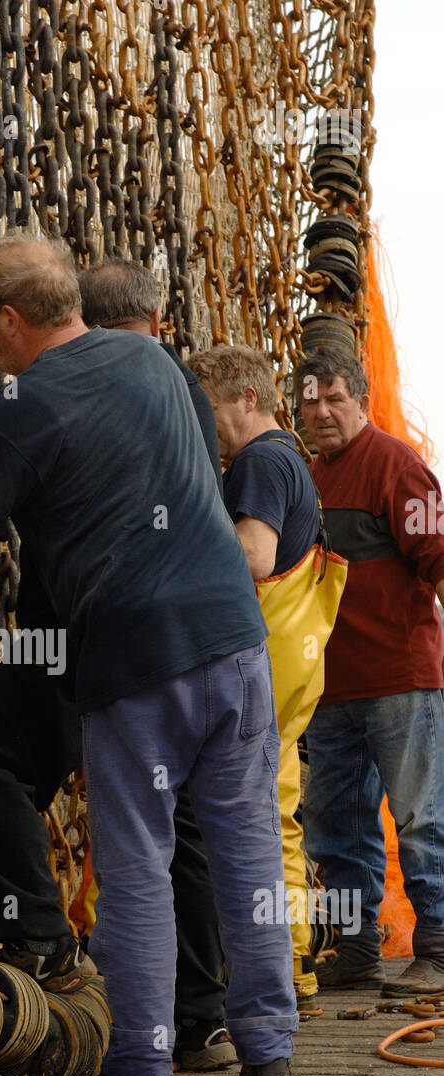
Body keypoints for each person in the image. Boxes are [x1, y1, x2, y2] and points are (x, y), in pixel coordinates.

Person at [0, 231, 297, 1076]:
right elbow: (87, 444)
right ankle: (266, 1050)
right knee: (245, 847)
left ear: (11, 318)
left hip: (132, 659)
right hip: (231, 639)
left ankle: (140, 1074)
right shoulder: (157, 365)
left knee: (137, 861)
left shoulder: (24, 403)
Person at [0, 256, 235, 1071]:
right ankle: (203, 1019)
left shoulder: (56, 390)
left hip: (97, 639)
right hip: (200, 639)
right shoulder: (168, 383)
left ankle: (56, 961)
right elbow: (85, 452)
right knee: (188, 825)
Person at [189, 344, 347, 999]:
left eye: (213, 411)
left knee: (265, 810)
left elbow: (253, 557)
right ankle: (293, 958)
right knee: (275, 807)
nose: (210, 430)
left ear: (247, 399)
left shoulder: (256, 461)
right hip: (295, 654)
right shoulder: (294, 461)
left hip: (261, 657)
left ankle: (284, 961)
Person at [297, 347, 444, 995]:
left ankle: (436, 949)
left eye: (335, 398)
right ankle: (355, 950)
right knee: (336, 825)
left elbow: (437, 556)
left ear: (360, 400)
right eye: (309, 399)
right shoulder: (303, 477)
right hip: (328, 685)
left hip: (400, 677)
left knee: (419, 819)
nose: (322, 411)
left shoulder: (394, 464)